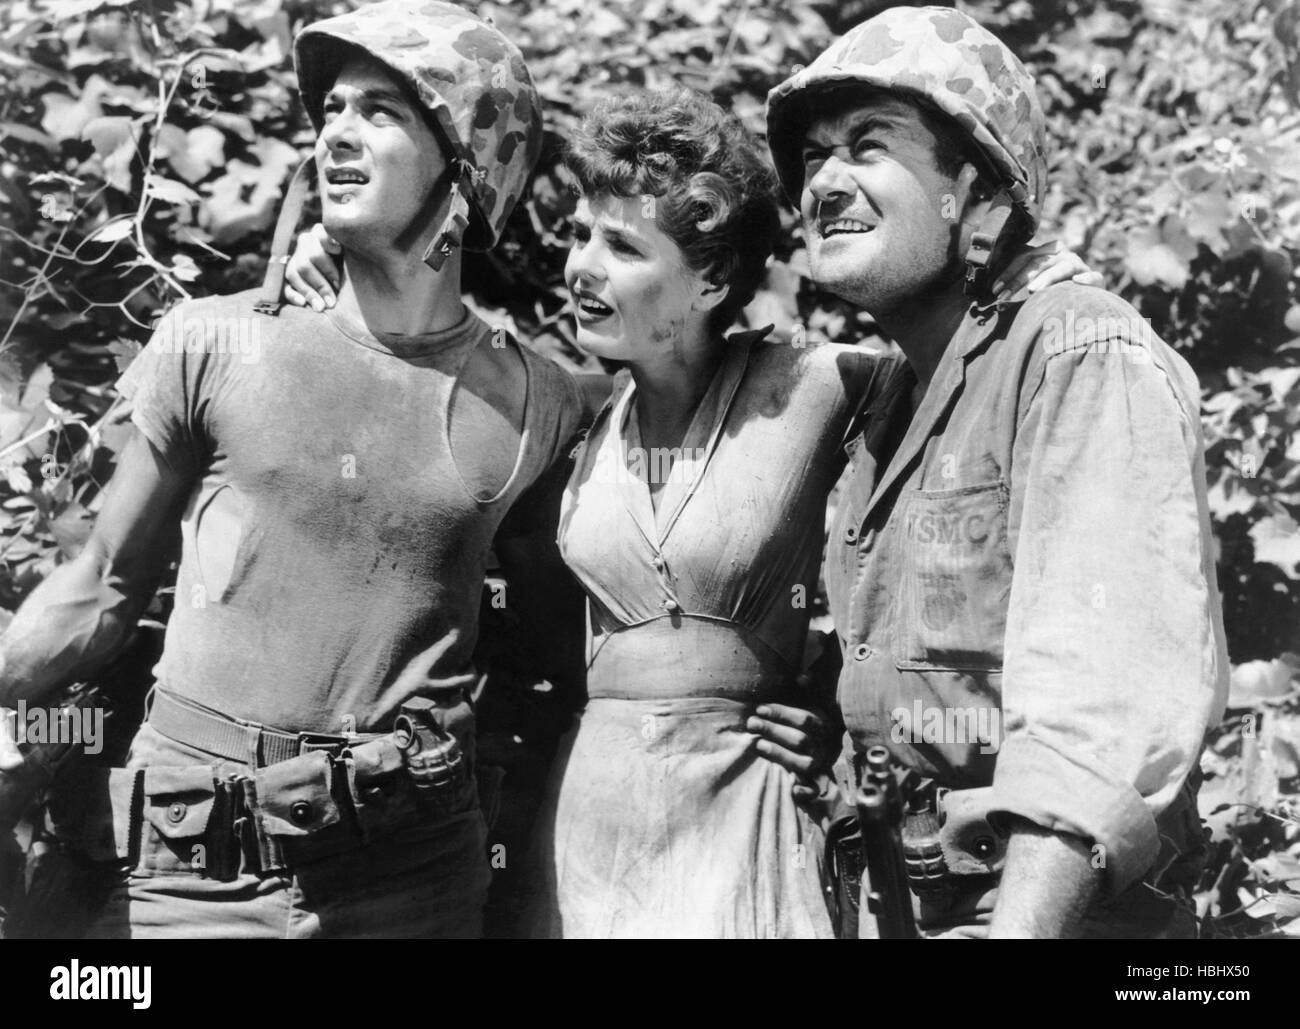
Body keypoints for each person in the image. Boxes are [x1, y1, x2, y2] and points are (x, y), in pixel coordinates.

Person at [286, 74, 1095, 935]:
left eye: (626, 250)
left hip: (745, 812)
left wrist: (835, 705)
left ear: (710, 280)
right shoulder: (575, 410)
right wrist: (351, 265)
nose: (584, 268)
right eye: (582, 236)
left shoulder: (816, 386)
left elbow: (967, 377)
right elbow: (436, 362)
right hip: (590, 816)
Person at [0, 0, 587, 939]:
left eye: (382, 112)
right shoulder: (216, 340)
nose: (335, 135)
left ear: (467, 168)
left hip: (415, 875)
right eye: (332, 111)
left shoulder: (542, 403)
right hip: (192, 874)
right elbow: (104, 582)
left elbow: (559, 657)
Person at [765, 4, 1229, 938]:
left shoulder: (1078, 352)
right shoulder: (896, 393)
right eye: (813, 157)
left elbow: (1099, 714)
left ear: (976, 190)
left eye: (869, 145)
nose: (825, 183)